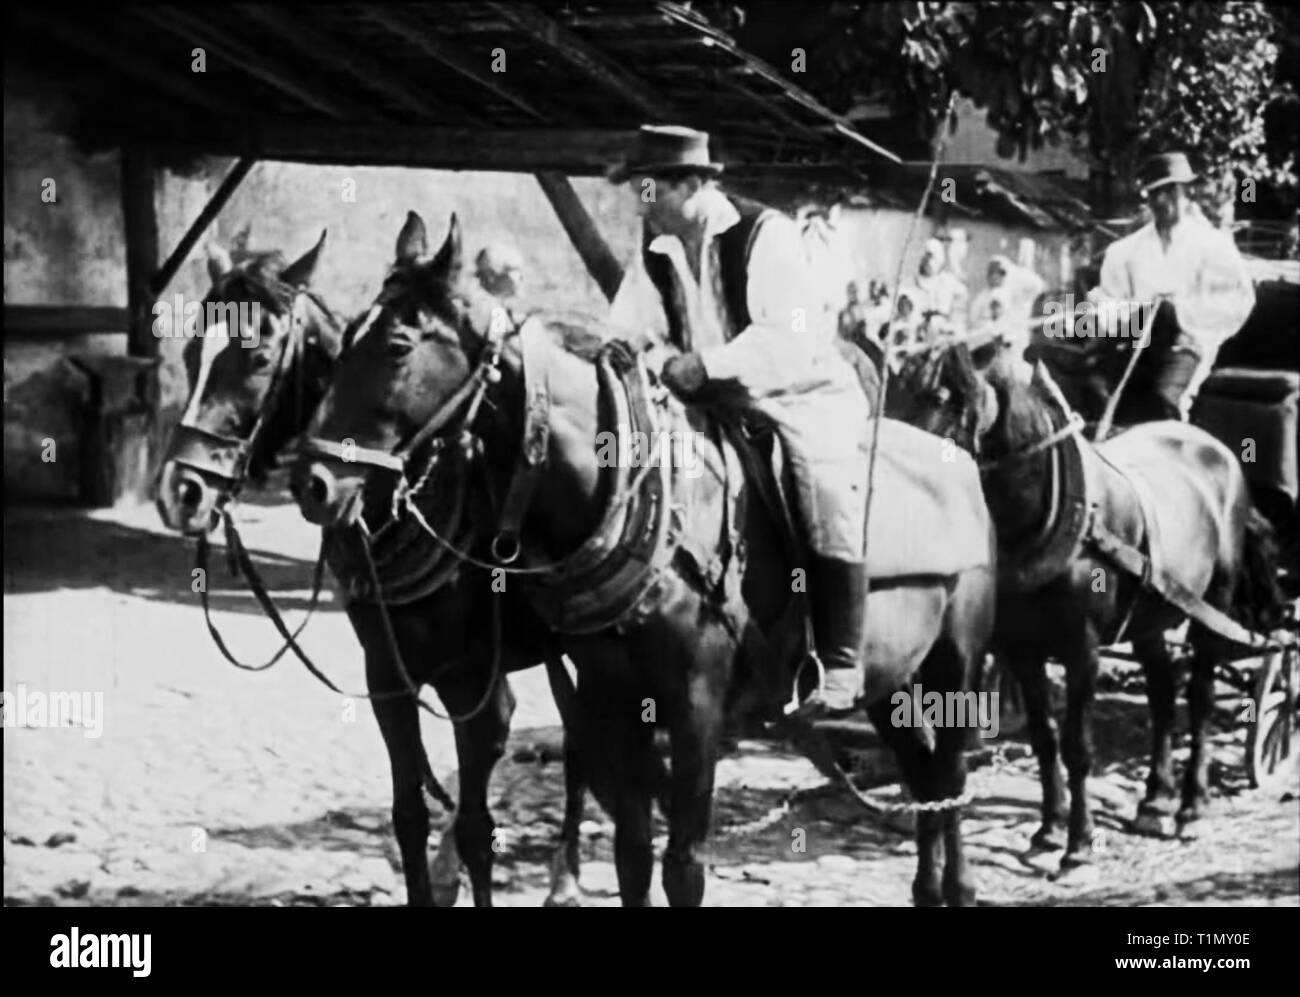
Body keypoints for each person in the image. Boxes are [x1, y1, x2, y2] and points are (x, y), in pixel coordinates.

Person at [605, 125, 869, 715]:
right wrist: (663, 361)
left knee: (825, 490)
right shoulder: (655, 246)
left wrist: (710, 363)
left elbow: (796, 337)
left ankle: (842, 657)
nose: (642, 205)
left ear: (694, 184)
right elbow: (626, 331)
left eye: (651, 191)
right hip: (706, 402)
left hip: (799, 393)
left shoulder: (764, 235)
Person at [1086, 152, 1256, 421]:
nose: (1161, 201)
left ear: (1187, 192)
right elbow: (1108, 302)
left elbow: (1236, 301)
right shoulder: (1125, 251)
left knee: (1161, 402)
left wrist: (1179, 316)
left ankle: (1176, 453)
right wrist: (1134, 314)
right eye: (1154, 194)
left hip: (1187, 347)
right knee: (1101, 398)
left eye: (1169, 191)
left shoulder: (1213, 247)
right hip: (1136, 347)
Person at [969, 254, 1045, 358]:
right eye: (991, 272)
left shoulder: (1014, 294)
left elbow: (1037, 285)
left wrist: (1016, 271)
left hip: (1009, 342)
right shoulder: (982, 297)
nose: (994, 276)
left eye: (1000, 273)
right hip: (985, 342)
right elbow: (973, 318)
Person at [913, 237, 969, 338]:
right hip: (919, 329)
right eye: (924, 256)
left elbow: (962, 299)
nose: (926, 260)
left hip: (943, 330)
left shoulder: (947, 280)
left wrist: (954, 320)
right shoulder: (913, 282)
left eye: (930, 256)